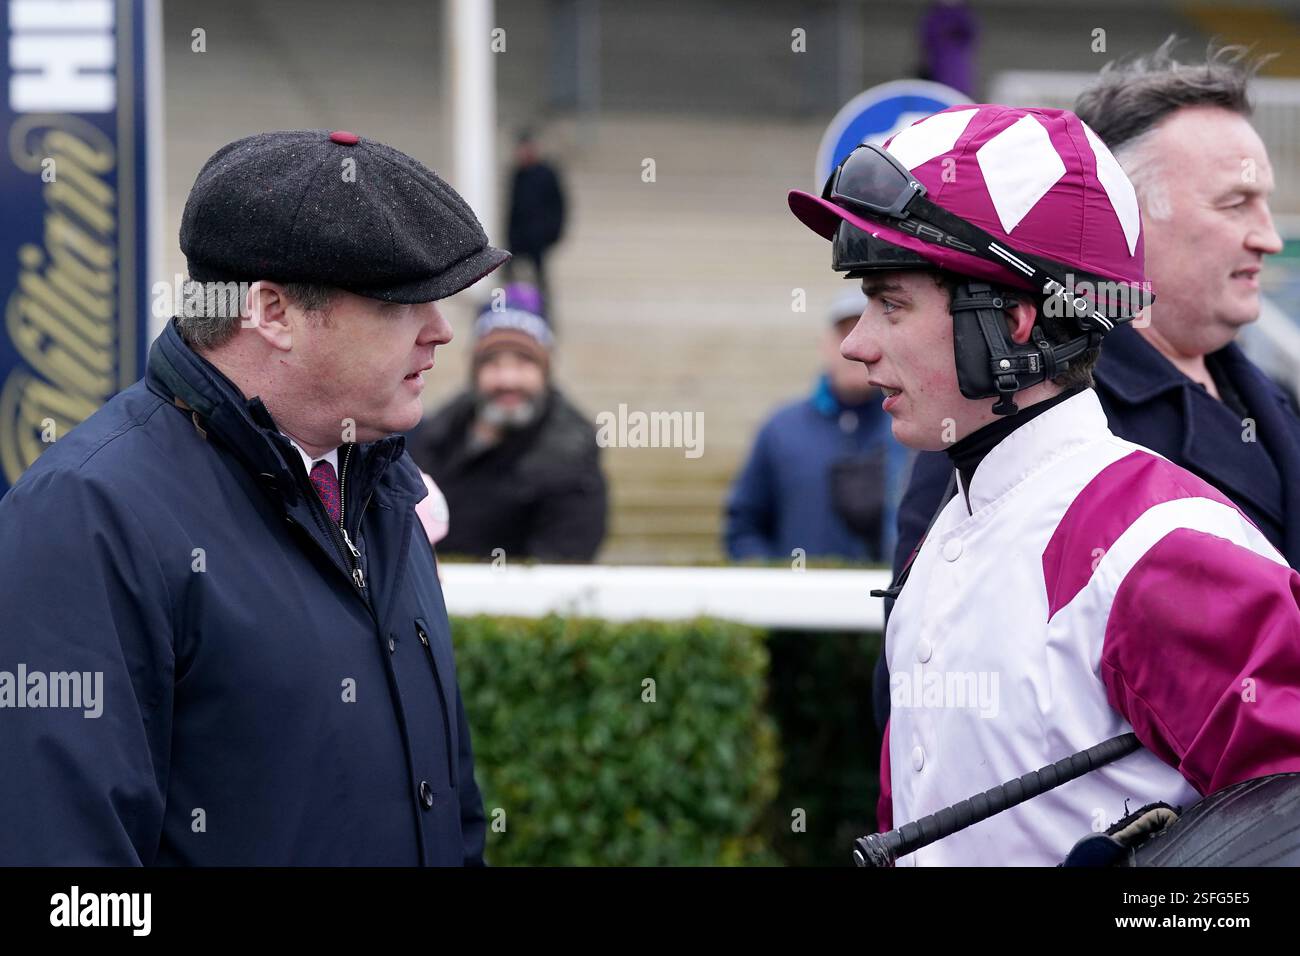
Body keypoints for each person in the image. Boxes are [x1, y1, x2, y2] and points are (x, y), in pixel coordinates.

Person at [788, 103, 1300, 865]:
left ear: (1016, 319)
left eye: (891, 302)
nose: (858, 344)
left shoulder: (1165, 548)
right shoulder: (950, 530)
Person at [0, 129, 506, 865]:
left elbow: (448, 811)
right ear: (272, 313)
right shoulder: (86, 517)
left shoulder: (380, 480)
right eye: (404, 303)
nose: (441, 332)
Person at [881, 40, 1300, 737]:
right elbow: (926, 691)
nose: (1268, 237)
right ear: (1127, 219)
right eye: (1237, 204)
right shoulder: (1016, 403)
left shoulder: (1268, 400)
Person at [409, 283, 606, 562]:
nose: (507, 380)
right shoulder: (437, 429)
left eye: (524, 362)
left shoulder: (572, 454)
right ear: (475, 371)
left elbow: (563, 562)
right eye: (493, 363)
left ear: (546, 369)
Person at [724, 288, 912, 563]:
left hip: (885, 598)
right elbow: (744, 525)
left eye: (868, 334)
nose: (854, 349)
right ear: (824, 345)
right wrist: (777, 579)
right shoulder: (781, 429)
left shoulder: (911, 429)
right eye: (843, 335)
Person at [506, 129, 566, 312]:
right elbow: (512, 208)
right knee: (512, 277)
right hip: (518, 237)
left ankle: (543, 311)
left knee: (540, 278)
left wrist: (550, 232)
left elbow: (559, 206)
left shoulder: (547, 173)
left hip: (539, 237)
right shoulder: (518, 174)